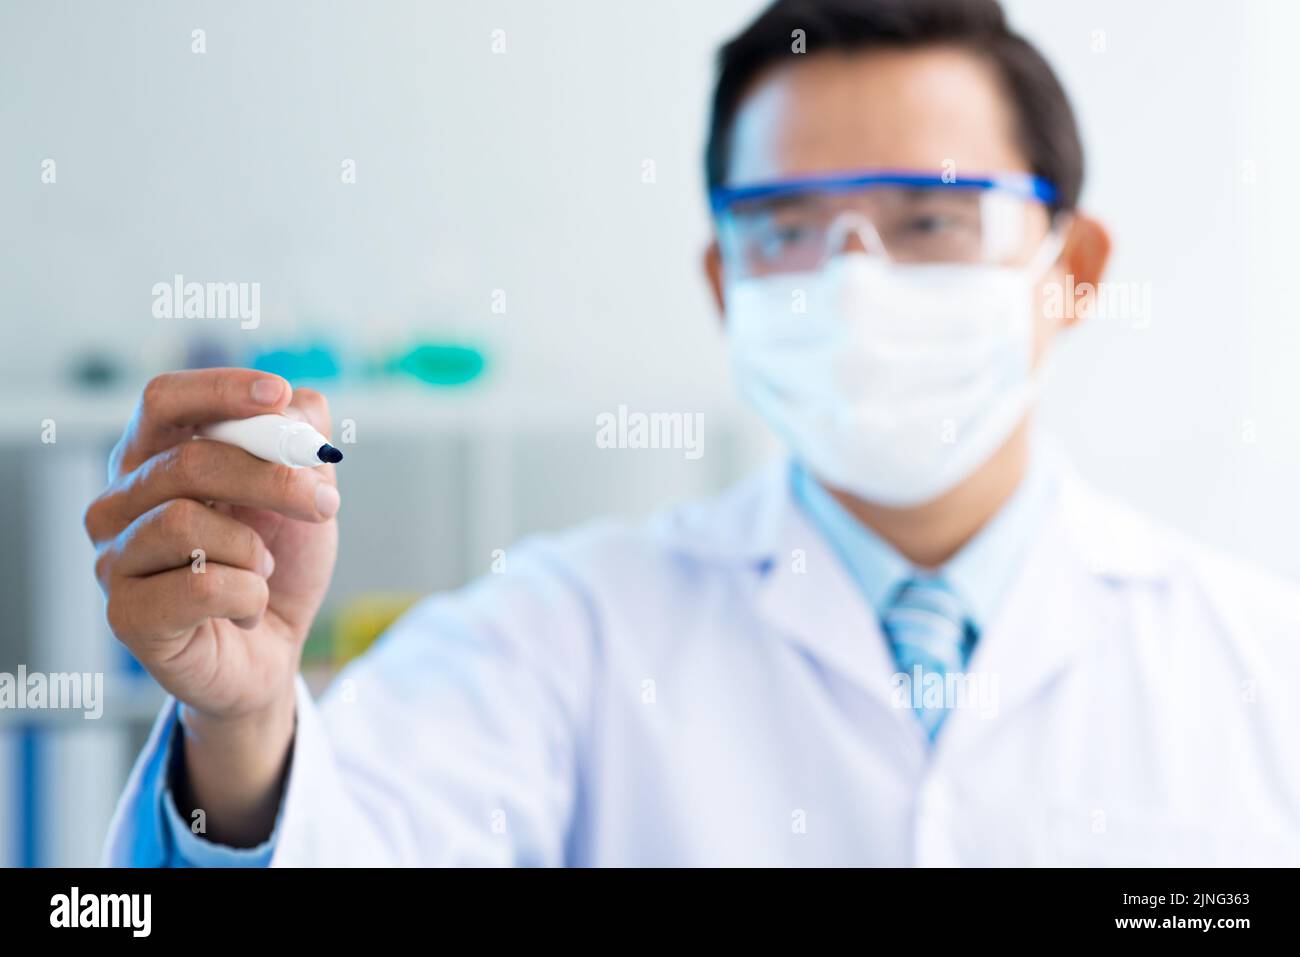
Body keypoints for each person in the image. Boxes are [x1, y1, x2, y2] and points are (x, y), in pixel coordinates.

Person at [91, 0, 1300, 866]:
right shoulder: (565, 633)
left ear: (1070, 269)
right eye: (788, 226)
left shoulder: (1260, 670)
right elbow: (358, 836)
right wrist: (242, 730)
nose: (852, 282)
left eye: (928, 219)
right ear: (727, 284)